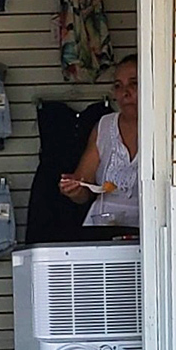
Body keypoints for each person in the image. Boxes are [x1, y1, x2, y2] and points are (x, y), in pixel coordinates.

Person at [59, 55, 139, 231]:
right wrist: (73, 189)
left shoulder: (163, 129)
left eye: (134, 84)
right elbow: (84, 188)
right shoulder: (104, 126)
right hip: (103, 226)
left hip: (149, 228)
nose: (125, 93)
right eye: (118, 86)